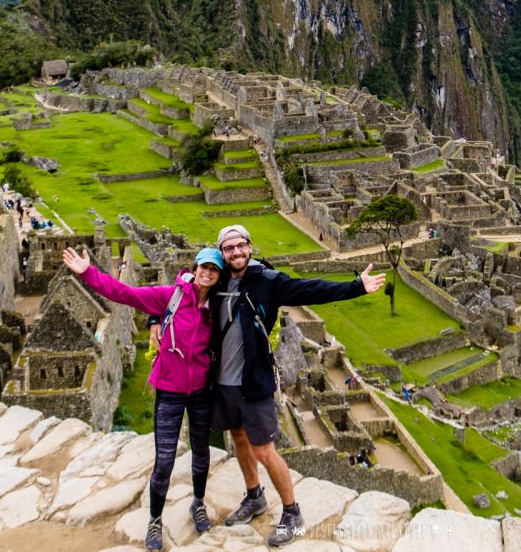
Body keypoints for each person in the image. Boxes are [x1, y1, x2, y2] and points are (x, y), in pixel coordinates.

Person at [206, 224, 385, 546]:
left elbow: (311, 289)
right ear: (222, 252)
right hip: (223, 382)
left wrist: (356, 287)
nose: (236, 252)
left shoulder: (267, 282)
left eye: (240, 246)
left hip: (253, 380)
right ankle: (254, 496)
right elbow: (176, 296)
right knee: (238, 439)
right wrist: (152, 322)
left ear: (249, 246)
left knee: (264, 449)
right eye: (229, 248)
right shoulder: (215, 281)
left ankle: (292, 512)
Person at [63, 245, 225, 551]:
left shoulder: (217, 308)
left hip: (201, 390)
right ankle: (154, 520)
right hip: (170, 390)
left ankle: (198, 503)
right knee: (164, 461)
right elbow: (124, 293)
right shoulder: (171, 297)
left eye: (214, 269)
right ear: (196, 268)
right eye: (203, 266)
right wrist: (88, 273)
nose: (207, 273)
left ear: (219, 276)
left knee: (200, 451)